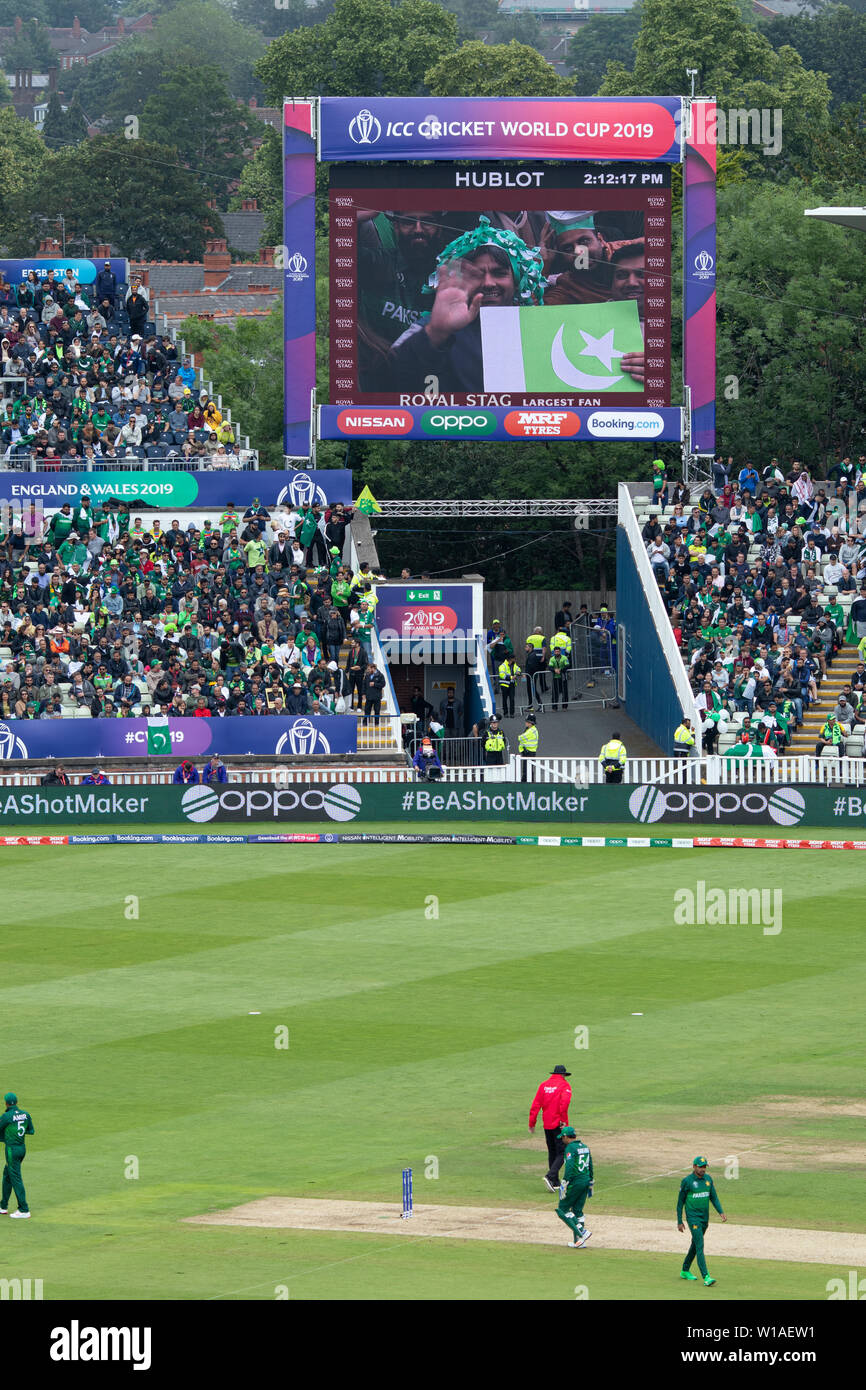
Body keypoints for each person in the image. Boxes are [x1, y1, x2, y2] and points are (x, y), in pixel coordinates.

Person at [387, 217, 547, 394]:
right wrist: (436, 333)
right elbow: (390, 381)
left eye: (499, 273)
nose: (488, 283)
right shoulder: (434, 328)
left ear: (517, 280)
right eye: (477, 274)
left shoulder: (538, 330)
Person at [677, 1156, 726, 1285]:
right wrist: (679, 1221)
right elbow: (680, 1202)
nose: (702, 1169)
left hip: (704, 1218)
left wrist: (721, 1212)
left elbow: (713, 1197)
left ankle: (685, 1270)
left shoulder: (708, 1180)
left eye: (704, 1167)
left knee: (695, 1244)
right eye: (700, 1167)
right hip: (693, 1219)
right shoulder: (687, 1181)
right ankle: (706, 1277)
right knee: (700, 1245)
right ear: (694, 1167)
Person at [528, 1064, 572, 1193]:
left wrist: (532, 1123)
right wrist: (563, 1121)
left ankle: (555, 1181)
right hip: (558, 1123)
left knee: (552, 1151)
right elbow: (565, 1103)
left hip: (547, 1123)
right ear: (563, 1075)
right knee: (563, 1152)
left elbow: (535, 1105)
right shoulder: (564, 1086)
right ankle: (550, 1176)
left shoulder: (543, 1085)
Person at [554, 1126, 593, 1249]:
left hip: (575, 1182)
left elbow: (569, 1166)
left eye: (563, 1137)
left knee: (562, 1209)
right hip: (585, 1180)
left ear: (566, 1136)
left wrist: (565, 1182)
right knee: (577, 1211)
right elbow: (590, 1164)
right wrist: (591, 1180)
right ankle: (579, 1242)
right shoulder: (585, 1147)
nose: (562, 1140)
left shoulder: (570, 1148)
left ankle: (582, 1231)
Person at [0, 1091, 34, 1218]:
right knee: (7, 1175)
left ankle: (24, 1209)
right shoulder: (25, 1114)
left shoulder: (6, 1116)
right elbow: (31, 1130)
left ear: (6, 1103)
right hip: (22, 1148)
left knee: (15, 1178)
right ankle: (3, 1206)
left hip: (11, 1150)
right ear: (16, 1102)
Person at [361, 662, 386, 727]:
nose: (368, 671)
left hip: (377, 696)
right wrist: (363, 693)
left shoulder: (380, 675)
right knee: (367, 710)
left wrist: (375, 684)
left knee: (377, 710)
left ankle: (376, 723)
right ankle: (365, 722)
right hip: (369, 696)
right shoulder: (367, 675)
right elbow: (364, 685)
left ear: (373, 668)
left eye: (369, 669)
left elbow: (383, 684)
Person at [498, 653, 521, 719]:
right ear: (511, 659)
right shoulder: (502, 666)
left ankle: (512, 713)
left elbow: (518, 669)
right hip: (504, 685)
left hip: (512, 684)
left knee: (512, 699)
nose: (515, 660)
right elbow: (502, 675)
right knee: (504, 699)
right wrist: (511, 677)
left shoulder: (514, 665)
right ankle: (505, 713)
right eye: (514, 658)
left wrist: (518, 672)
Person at [518, 714, 538, 781]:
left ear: (531, 723)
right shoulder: (530, 729)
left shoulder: (531, 731)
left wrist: (520, 737)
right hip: (528, 752)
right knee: (528, 770)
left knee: (527, 770)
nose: (525, 723)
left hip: (529, 752)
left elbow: (520, 738)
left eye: (527, 722)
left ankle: (526, 784)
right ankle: (528, 782)